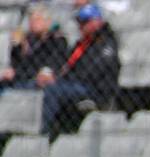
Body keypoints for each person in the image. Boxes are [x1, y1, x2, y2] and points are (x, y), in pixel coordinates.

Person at [38, 3, 119, 137]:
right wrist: (53, 75)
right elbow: (66, 63)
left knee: (53, 90)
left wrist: (63, 79)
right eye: (79, 22)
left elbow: (94, 72)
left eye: (84, 22)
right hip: (77, 83)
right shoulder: (82, 44)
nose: (80, 26)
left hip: (95, 89)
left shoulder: (107, 43)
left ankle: (45, 132)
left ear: (96, 21)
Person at [0, 6, 68, 92]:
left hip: (39, 81)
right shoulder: (30, 40)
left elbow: (39, 65)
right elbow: (16, 62)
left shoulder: (56, 40)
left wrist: (16, 73)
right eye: (31, 20)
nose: (32, 23)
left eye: (37, 19)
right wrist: (17, 45)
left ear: (47, 22)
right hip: (23, 77)